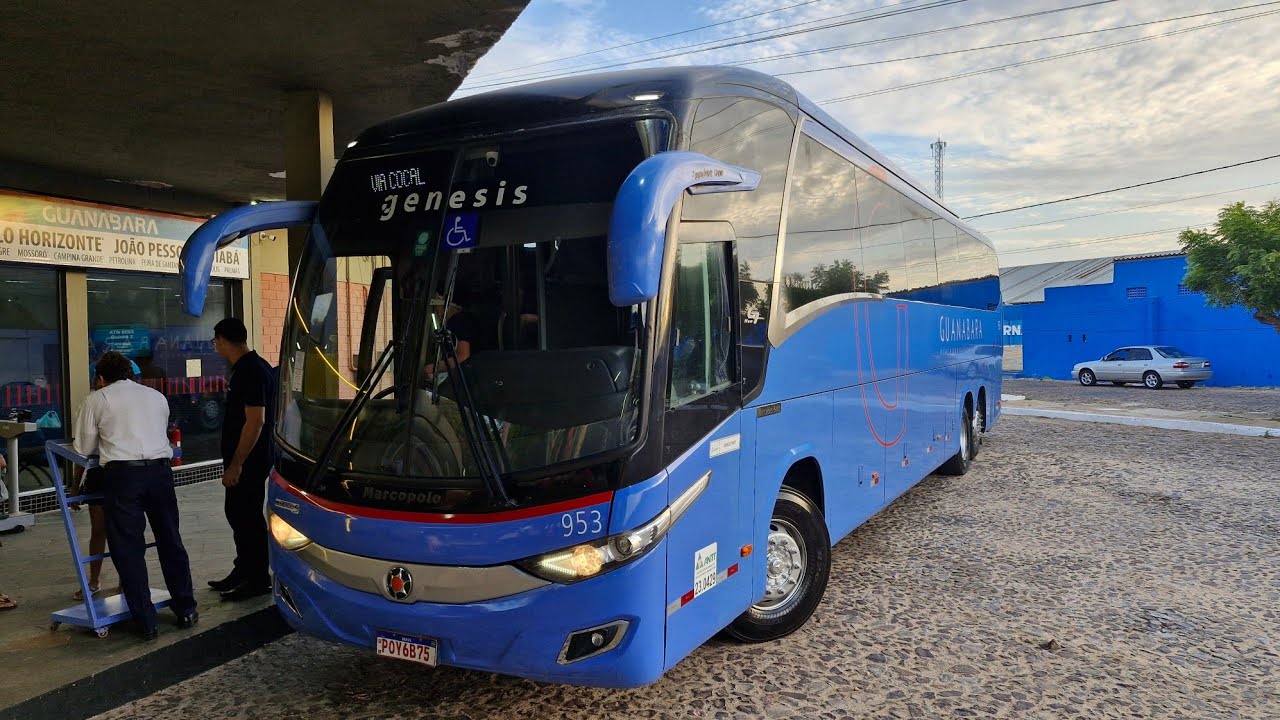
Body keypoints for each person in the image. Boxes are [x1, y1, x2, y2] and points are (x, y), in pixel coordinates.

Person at [72, 351, 196, 640]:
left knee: (128, 547)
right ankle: (186, 608)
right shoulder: (155, 396)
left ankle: (146, 622)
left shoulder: (97, 399)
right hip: (161, 474)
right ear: (130, 373)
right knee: (170, 541)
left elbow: (84, 448)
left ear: (101, 378)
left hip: (123, 477)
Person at [208, 318, 275, 601]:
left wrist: (237, 464)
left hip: (250, 461)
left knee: (247, 517)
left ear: (223, 340)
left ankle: (258, 578)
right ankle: (243, 569)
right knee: (238, 514)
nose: (215, 345)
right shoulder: (250, 368)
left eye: (215, 340)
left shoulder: (250, 370)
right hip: (247, 460)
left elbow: (255, 421)